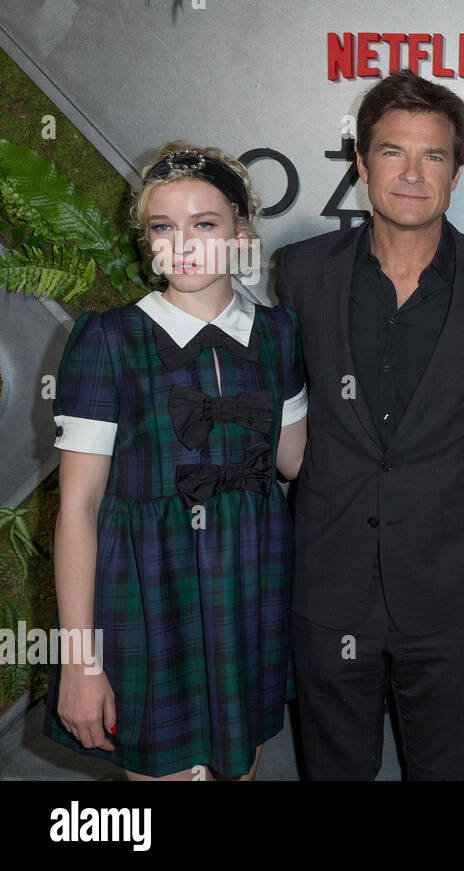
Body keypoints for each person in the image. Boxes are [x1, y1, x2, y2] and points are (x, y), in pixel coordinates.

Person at [273, 71, 464, 780]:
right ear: (360, 162)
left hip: (448, 599)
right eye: (392, 153)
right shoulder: (301, 272)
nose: (412, 174)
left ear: (459, 171)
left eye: (433, 156)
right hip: (327, 590)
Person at [45, 141, 307, 780]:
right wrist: (80, 661)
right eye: (164, 227)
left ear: (240, 233)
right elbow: (77, 509)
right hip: (145, 598)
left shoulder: (279, 334)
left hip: (249, 591)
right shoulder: (109, 339)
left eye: (205, 224)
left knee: (239, 771)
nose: (182, 244)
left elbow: (295, 463)